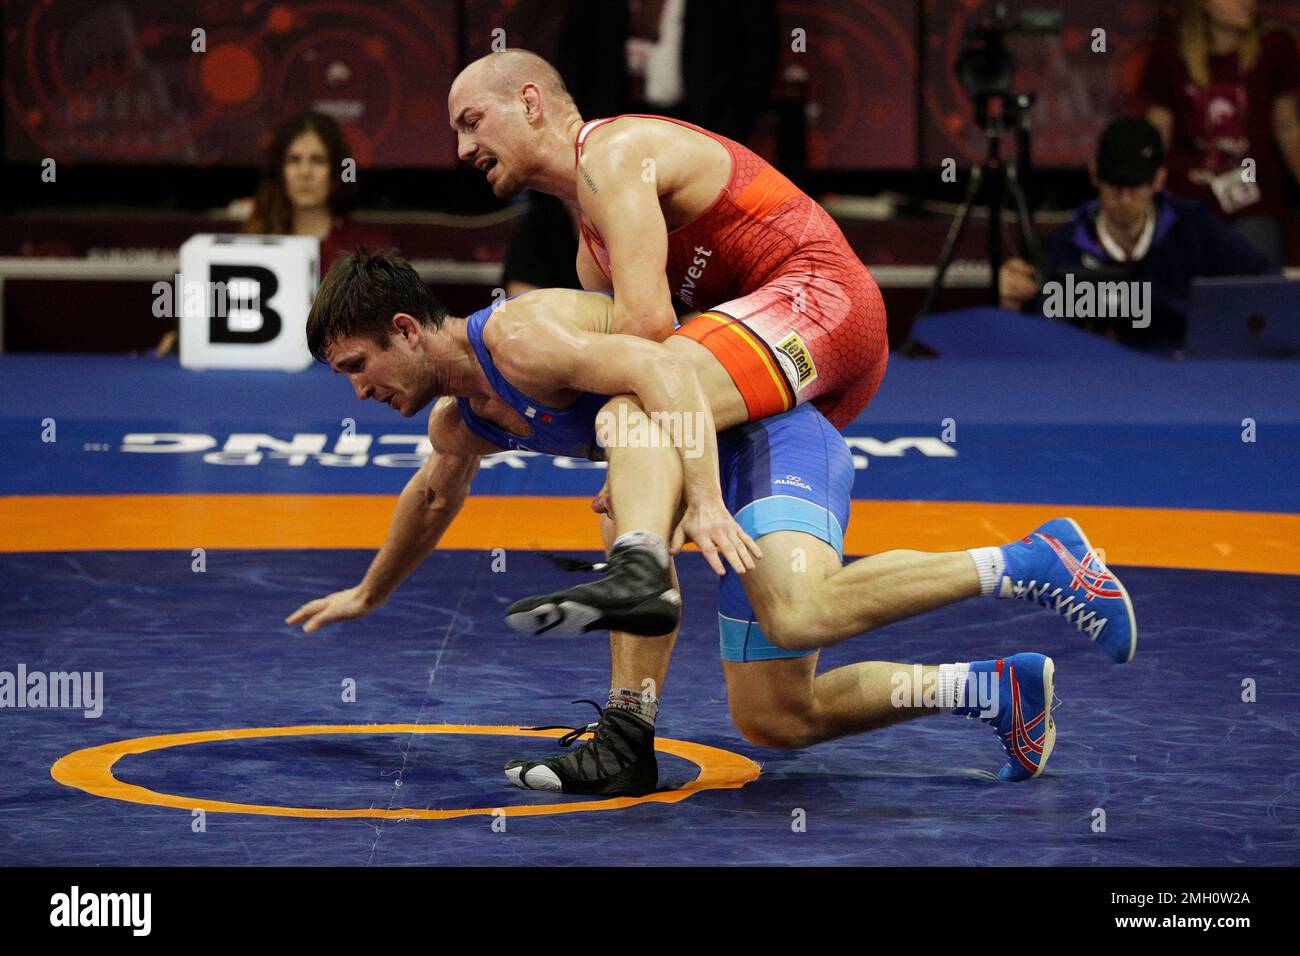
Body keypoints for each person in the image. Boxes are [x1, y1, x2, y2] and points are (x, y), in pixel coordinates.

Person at [285, 250, 1138, 795]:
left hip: (762, 438)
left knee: (783, 600)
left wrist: (702, 497)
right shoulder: (461, 417)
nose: (360, 392)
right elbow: (433, 495)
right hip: (704, 466)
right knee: (776, 718)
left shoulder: (522, 332)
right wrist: (368, 590)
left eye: (359, 366)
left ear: (405, 328)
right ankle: (994, 689)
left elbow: (665, 373)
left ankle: (1032, 559)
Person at [446, 48, 888, 432]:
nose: (464, 149)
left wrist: (529, 375)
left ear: (529, 103)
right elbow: (621, 356)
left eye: (472, 122)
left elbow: (646, 329)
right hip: (793, 339)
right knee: (634, 449)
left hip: (824, 301)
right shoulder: (591, 252)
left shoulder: (614, 153)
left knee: (636, 420)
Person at [999, 117, 1278, 350]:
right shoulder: (1064, 248)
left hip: (1183, 381)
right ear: (1095, 175)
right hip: (1097, 387)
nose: (1124, 198)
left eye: (1136, 185)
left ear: (1159, 180)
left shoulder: (1194, 228)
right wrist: (1010, 305)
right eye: (1115, 184)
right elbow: (1038, 340)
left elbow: (1266, 285)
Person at [1140, 0, 1300, 268]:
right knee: (1176, 293)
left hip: (1254, 203)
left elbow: (1288, 127)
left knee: (1258, 290)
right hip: (1186, 202)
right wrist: (1139, 195)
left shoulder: (1275, 46)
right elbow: (1157, 133)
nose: (1247, 2)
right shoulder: (1169, 51)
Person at [244, 111, 391, 271]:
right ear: (279, 171)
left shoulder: (369, 248)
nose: (305, 172)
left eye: (318, 160)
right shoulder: (256, 242)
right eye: (294, 160)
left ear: (337, 170)